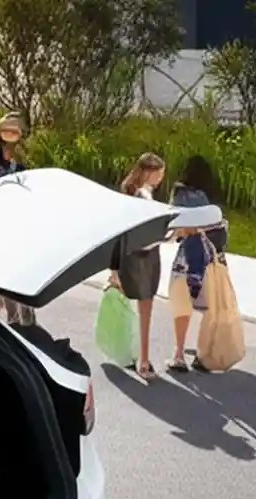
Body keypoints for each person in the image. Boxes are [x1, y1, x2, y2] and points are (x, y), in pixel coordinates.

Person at [165, 155, 227, 372]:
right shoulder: (212, 195)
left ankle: (179, 355)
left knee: (182, 305)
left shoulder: (180, 193)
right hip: (211, 258)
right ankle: (203, 355)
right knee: (210, 307)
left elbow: (174, 226)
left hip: (188, 257)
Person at [108, 152, 166, 380]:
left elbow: (119, 233)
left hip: (130, 256)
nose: (161, 179)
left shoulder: (130, 192)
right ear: (149, 172)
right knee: (145, 310)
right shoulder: (143, 197)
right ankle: (143, 360)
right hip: (144, 258)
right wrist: (169, 236)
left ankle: (133, 355)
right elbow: (147, 235)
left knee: (129, 306)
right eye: (159, 174)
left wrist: (113, 268)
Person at [0, 112, 36, 326]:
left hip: (21, 218)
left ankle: (27, 316)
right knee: (4, 270)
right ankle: (12, 317)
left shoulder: (25, 158)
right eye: (6, 130)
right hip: (0, 219)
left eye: (14, 130)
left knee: (22, 269)